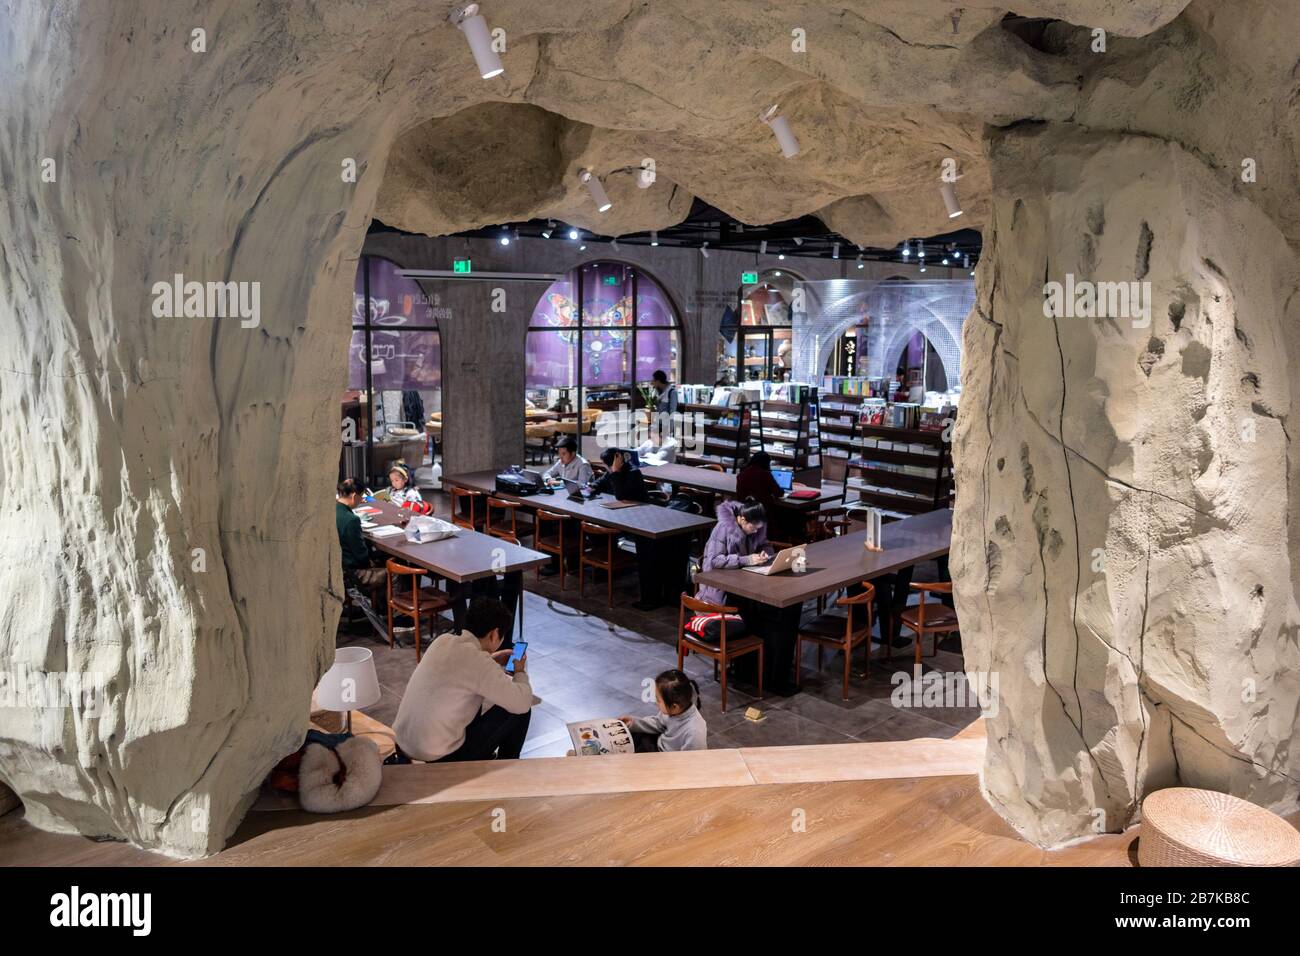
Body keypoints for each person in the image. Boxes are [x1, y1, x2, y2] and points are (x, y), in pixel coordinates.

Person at [392, 597, 534, 762]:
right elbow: (522, 702)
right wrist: (519, 671)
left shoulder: (443, 641)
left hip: (403, 745)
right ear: (494, 634)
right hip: (439, 758)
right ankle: (506, 767)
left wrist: (492, 659)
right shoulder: (479, 663)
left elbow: (464, 669)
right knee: (520, 712)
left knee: (471, 695)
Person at [697, 498, 801, 695]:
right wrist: (747, 559)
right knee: (760, 613)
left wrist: (766, 555)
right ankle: (751, 668)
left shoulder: (757, 527)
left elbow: (765, 544)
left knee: (773, 610)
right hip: (720, 592)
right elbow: (715, 561)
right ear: (742, 519)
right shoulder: (723, 528)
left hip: (745, 583)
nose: (756, 531)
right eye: (753, 527)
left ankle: (763, 669)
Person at [619, 669, 706, 752]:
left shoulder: (694, 733)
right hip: (658, 744)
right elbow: (658, 723)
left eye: (658, 700)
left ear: (674, 707)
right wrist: (633, 722)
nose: (656, 702)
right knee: (631, 735)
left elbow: (692, 761)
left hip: (666, 760)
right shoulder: (674, 710)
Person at [336, 478, 385, 592]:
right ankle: (387, 609)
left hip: (336, 568)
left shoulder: (331, 510)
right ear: (354, 496)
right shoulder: (351, 520)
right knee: (393, 574)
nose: (361, 500)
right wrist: (372, 563)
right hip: (351, 573)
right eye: (361, 496)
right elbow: (360, 554)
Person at [651, 369, 677, 436]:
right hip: (657, 424)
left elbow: (672, 411)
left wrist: (670, 429)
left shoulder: (671, 392)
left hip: (666, 426)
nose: (652, 382)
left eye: (653, 380)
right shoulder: (657, 391)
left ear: (658, 381)